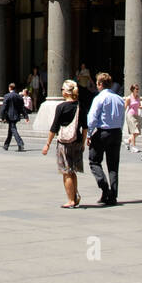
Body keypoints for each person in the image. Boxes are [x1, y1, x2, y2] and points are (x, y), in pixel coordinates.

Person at [42, 79, 85, 208]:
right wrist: (83, 143)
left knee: (66, 172)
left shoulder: (61, 107)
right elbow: (85, 127)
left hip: (64, 142)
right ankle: (75, 197)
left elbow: (54, 128)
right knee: (73, 171)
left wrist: (47, 144)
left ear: (66, 92)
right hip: (76, 141)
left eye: (62, 89)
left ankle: (70, 200)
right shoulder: (79, 106)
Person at [85, 72, 125, 205]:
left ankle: (104, 187)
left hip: (103, 132)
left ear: (100, 84)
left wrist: (89, 134)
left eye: (97, 83)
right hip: (116, 132)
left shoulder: (100, 98)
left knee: (94, 161)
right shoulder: (119, 99)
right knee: (113, 166)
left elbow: (92, 118)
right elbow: (122, 118)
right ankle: (112, 196)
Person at [1, 82, 28, 152]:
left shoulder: (7, 96)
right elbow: (22, 107)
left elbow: (4, 107)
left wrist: (2, 117)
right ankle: (6, 145)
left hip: (10, 116)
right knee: (11, 130)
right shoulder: (19, 96)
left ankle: (20, 143)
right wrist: (26, 116)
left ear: (9, 88)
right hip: (16, 116)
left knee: (13, 129)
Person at [123, 84, 142, 153]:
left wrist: (140, 107)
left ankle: (127, 141)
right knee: (134, 132)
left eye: (138, 89)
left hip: (136, 115)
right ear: (133, 89)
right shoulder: (129, 98)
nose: (137, 90)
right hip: (130, 115)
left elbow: (139, 105)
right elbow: (125, 107)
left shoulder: (138, 97)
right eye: (136, 89)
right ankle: (133, 147)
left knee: (138, 132)